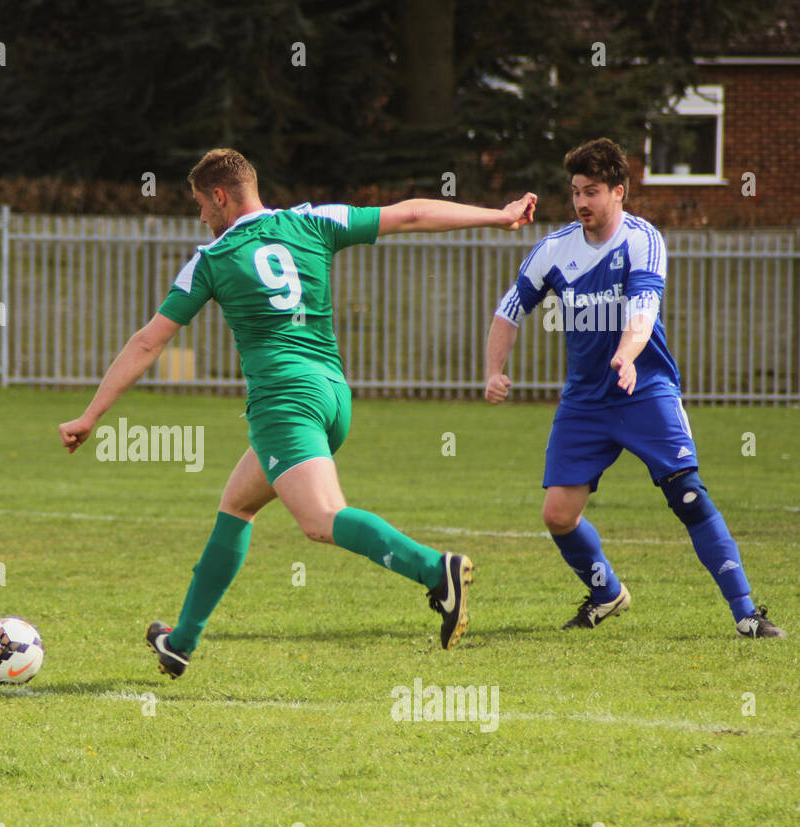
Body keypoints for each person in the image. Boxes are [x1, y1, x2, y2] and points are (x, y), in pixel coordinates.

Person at [59, 148, 538, 677]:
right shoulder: (313, 220)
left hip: (283, 404)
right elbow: (412, 213)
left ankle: (434, 570)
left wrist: (91, 416)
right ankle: (181, 640)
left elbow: (149, 343)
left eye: (200, 204)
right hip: (332, 395)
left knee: (320, 520)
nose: (200, 217)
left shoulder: (213, 259)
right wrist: (499, 214)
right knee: (237, 504)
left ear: (220, 196)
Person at [484, 137, 783, 638]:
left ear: (619, 192)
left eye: (593, 191)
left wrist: (625, 354)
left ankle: (746, 613)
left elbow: (643, 311)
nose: (582, 202)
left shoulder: (642, 239)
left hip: (645, 391)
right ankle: (606, 592)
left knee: (686, 495)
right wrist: (494, 371)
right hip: (584, 401)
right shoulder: (554, 250)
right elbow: (508, 309)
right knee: (558, 514)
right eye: (576, 191)